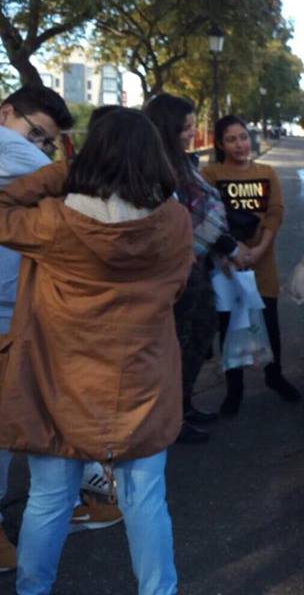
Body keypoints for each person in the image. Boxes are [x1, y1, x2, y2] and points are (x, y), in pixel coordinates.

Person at [0, 107, 193, 594]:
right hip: (141, 379)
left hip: (57, 380)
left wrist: (63, 170)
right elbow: (176, 289)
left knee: (48, 498)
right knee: (145, 499)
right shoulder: (173, 222)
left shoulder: (55, 223)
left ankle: (32, 590)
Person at [145, 94, 252, 443]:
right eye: (187, 127)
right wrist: (229, 245)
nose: (192, 132)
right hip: (179, 267)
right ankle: (170, 416)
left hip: (198, 262)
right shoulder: (161, 165)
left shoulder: (179, 161)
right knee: (181, 340)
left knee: (199, 334)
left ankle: (182, 404)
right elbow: (186, 216)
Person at [0, 87, 76, 573]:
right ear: (6, 113)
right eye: (36, 134)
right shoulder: (8, 148)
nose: (40, 150)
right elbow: (73, 179)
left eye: (48, 142)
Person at [203, 116, 300, 416]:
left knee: (269, 321)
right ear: (220, 144)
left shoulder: (266, 173)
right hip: (226, 264)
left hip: (262, 260)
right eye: (231, 139)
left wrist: (259, 249)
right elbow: (208, 217)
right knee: (230, 324)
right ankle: (235, 388)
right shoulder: (211, 174)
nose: (240, 145)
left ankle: (274, 375)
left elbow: (275, 213)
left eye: (243, 137)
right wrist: (233, 250)